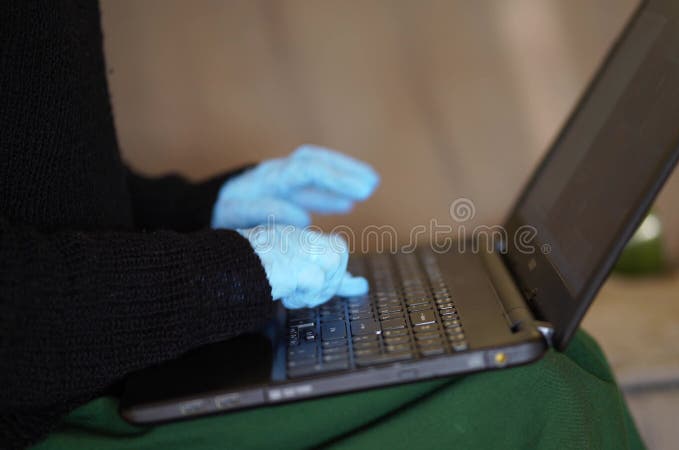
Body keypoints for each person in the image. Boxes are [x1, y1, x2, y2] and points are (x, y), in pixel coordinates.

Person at [1, 1, 644, 449]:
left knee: (558, 348)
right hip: (47, 417)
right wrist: (232, 272)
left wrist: (205, 209)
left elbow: (43, 179)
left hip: (99, 347)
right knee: (539, 394)